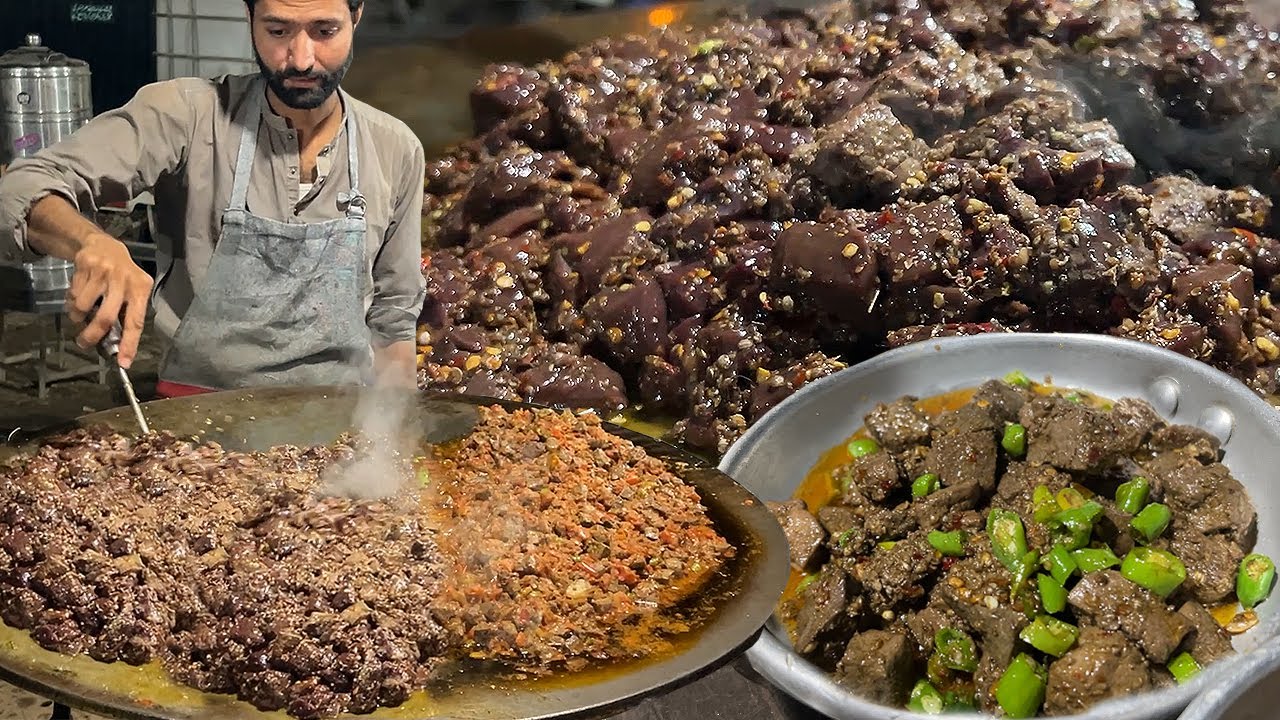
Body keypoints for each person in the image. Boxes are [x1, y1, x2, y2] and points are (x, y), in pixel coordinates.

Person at [0, 0, 426, 397]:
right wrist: (89, 242)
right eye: (277, 30)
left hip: (337, 425)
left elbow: (394, 322)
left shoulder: (394, 149)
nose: (300, 58)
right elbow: (22, 186)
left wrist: (394, 447)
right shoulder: (188, 114)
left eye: (324, 31)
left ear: (356, 17)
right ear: (249, 19)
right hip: (198, 419)